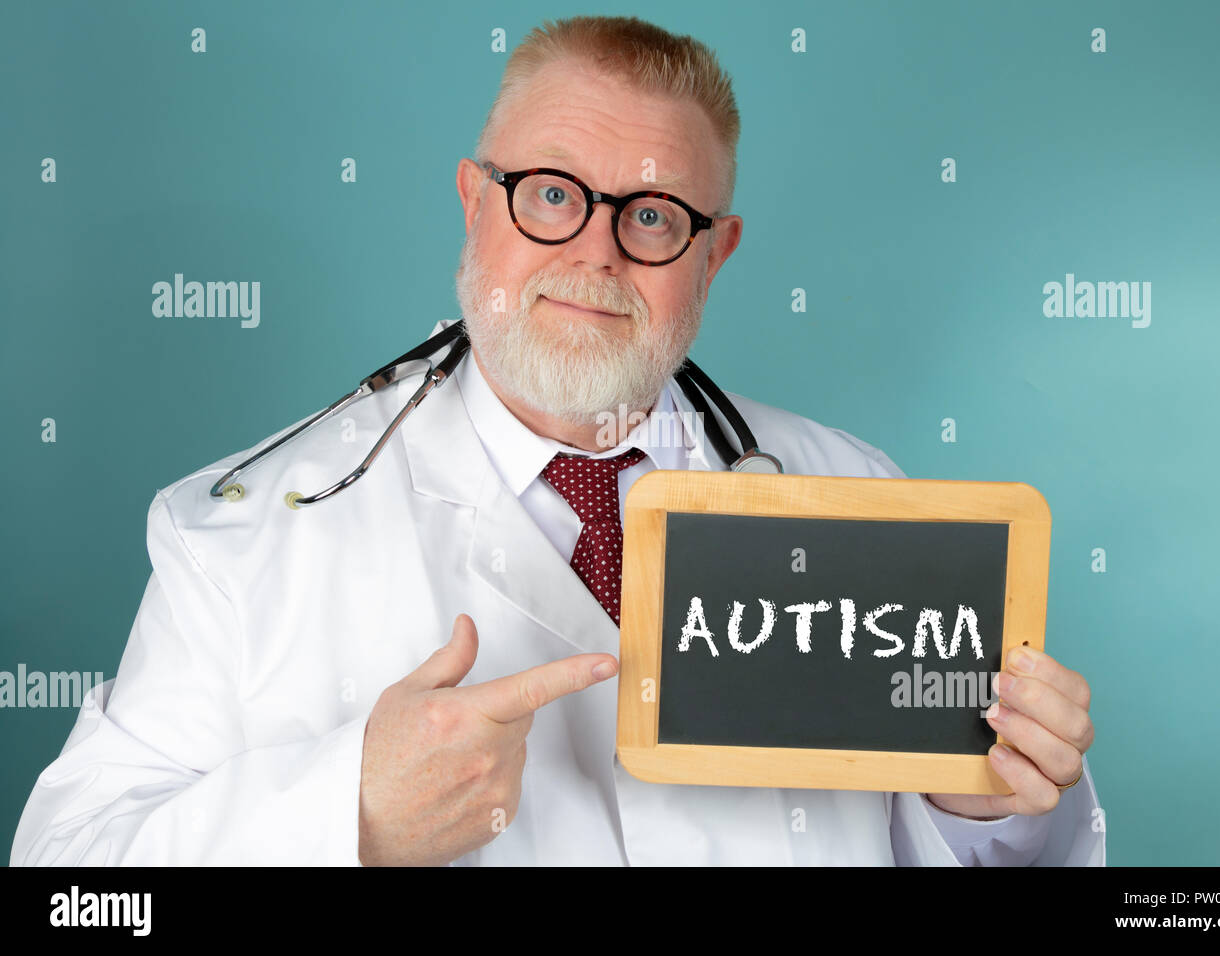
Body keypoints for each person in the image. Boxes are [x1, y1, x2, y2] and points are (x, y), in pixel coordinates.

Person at [10, 14, 1103, 866]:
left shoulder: (857, 496)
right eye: (548, 194)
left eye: (652, 214)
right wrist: (348, 812)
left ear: (712, 255)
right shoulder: (248, 538)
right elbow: (75, 887)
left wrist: (986, 807)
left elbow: (988, 861)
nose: (594, 254)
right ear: (473, 204)